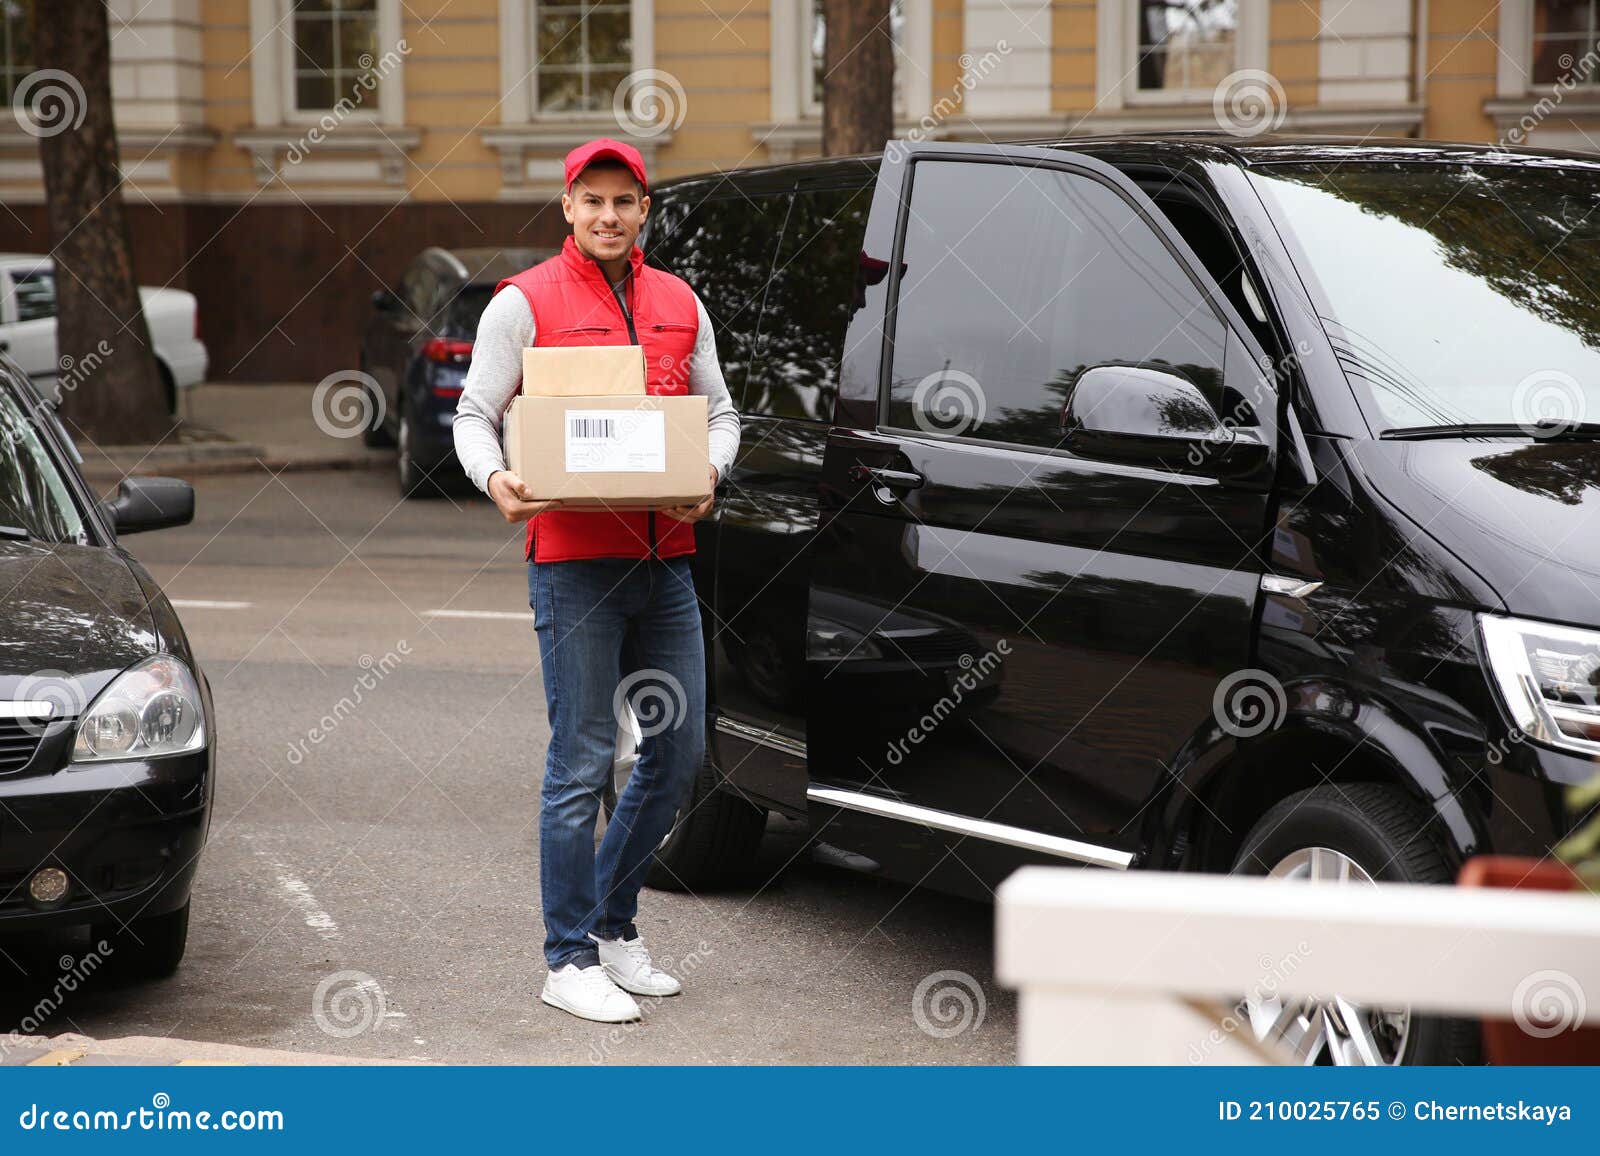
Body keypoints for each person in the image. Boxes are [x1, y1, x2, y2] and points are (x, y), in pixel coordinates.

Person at [452, 138, 741, 1023]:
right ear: (567, 207)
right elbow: (475, 415)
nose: (609, 216)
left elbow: (721, 414)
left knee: (679, 748)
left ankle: (614, 927)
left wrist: (711, 476)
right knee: (580, 760)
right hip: (573, 565)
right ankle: (567, 958)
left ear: (643, 210)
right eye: (593, 200)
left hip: (666, 564)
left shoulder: (679, 301)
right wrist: (496, 480)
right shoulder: (523, 301)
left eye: (625, 201)